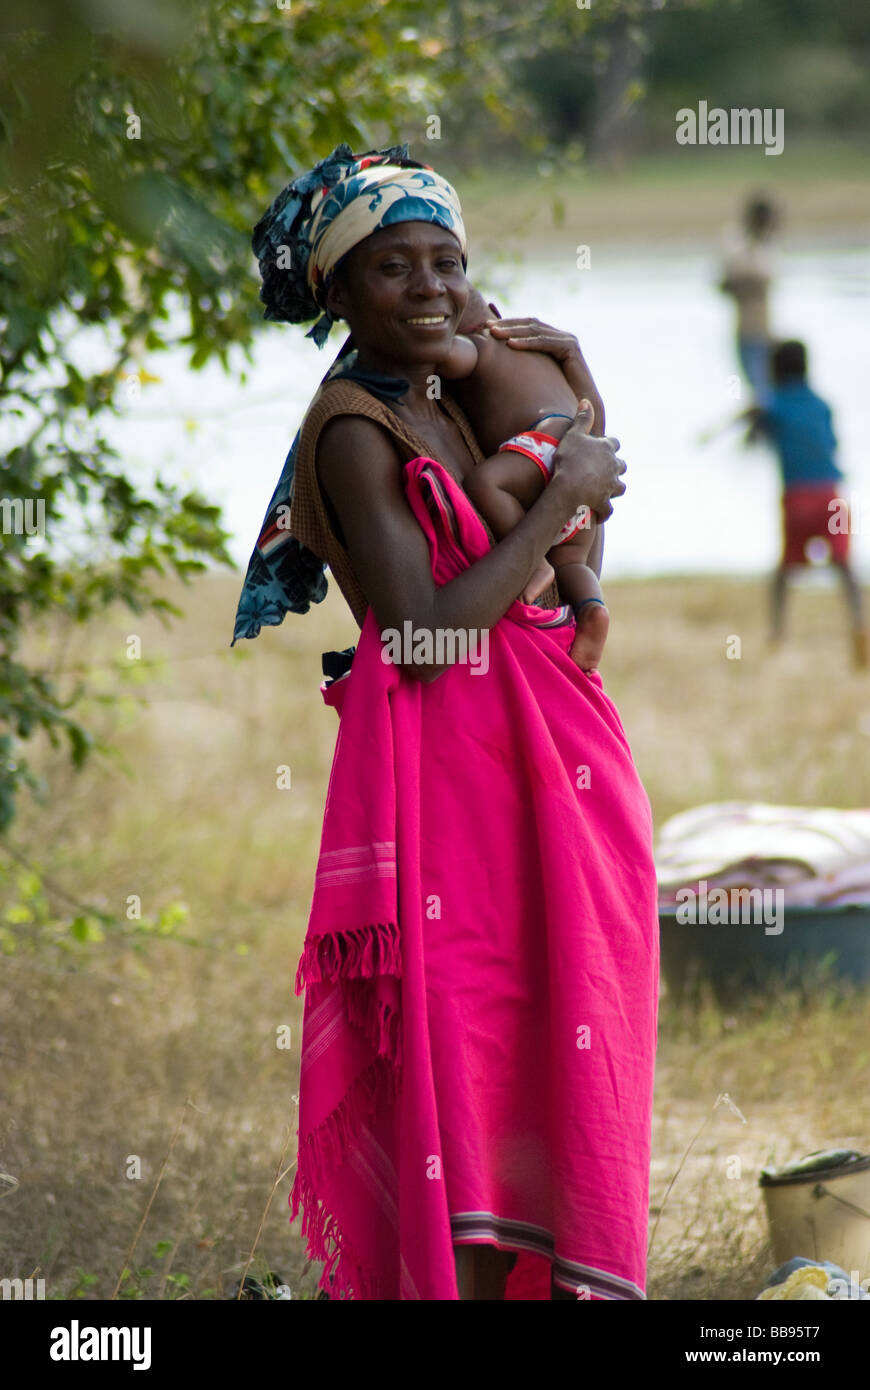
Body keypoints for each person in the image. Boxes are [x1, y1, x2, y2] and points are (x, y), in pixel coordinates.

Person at [233, 143, 660, 1301]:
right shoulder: (355, 429)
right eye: (393, 266)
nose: (427, 286)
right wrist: (559, 498)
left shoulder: (450, 392)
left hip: (542, 754)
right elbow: (421, 634)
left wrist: (579, 403)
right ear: (337, 290)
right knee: (463, 1051)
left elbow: (564, 549)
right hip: (447, 775)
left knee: (561, 1024)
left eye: (447, 260)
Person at [441, 285, 609, 671]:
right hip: (581, 452)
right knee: (574, 564)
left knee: (485, 484)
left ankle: (534, 564)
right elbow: (594, 417)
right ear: (497, 311)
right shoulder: (544, 353)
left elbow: (443, 352)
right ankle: (592, 608)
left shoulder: (481, 344)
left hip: (543, 444)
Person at [744, 338, 867, 668]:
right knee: (844, 565)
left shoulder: (773, 405)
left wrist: (754, 417)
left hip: (797, 498)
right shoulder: (823, 404)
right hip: (830, 496)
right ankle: (859, 624)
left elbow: (753, 440)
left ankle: (778, 633)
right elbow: (832, 442)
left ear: (776, 371)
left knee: (786, 569)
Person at [718, 194, 780, 405]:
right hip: (747, 331)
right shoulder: (737, 246)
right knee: (758, 388)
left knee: (762, 389)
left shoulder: (767, 247)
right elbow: (724, 285)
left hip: (763, 331)